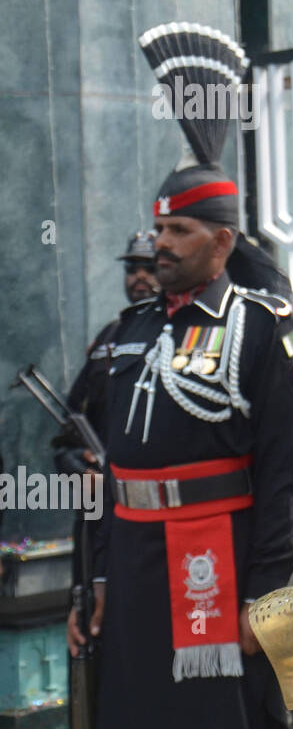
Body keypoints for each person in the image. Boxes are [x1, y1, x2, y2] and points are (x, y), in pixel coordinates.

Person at [92, 23, 293, 729]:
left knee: (213, 722)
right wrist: (95, 577)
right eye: (159, 232)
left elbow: (282, 477)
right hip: (131, 560)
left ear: (221, 242)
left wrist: (267, 598)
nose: (161, 246)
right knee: (135, 718)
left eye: (180, 232)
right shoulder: (133, 328)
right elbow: (105, 465)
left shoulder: (260, 327)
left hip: (215, 558)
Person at [63, 231, 158, 657]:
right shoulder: (109, 337)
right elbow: (66, 431)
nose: (139, 276)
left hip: (152, 508)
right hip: (99, 507)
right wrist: (78, 466)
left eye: (149, 267)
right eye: (132, 268)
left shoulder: (179, 335)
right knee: (93, 631)